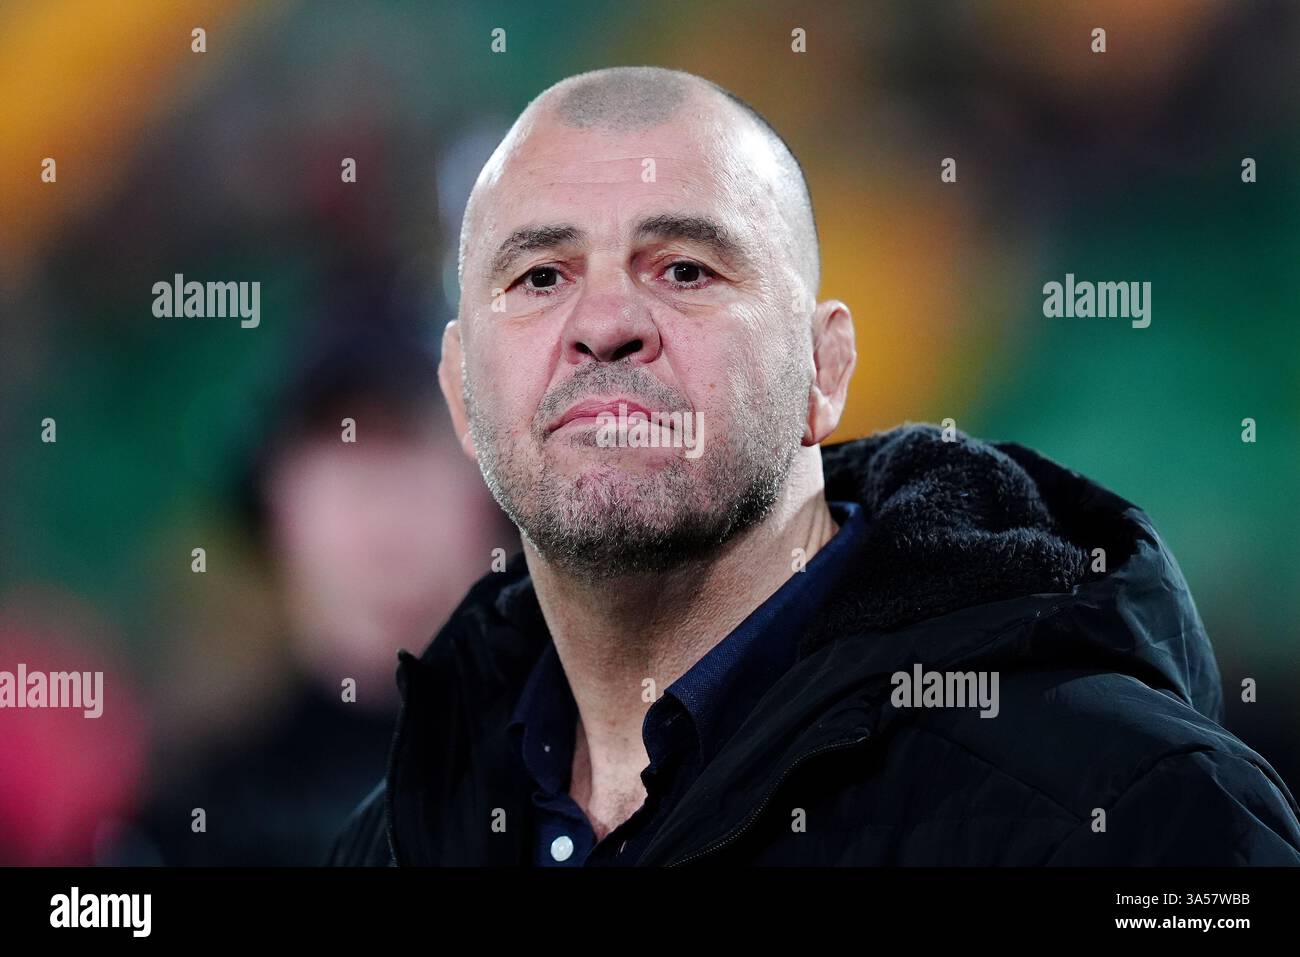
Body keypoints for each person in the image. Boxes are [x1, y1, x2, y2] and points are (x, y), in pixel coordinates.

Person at [329, 66, 1300, 866]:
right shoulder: (393, 846)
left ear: (823, 370)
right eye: (540, 277)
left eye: (684, 270)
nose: (606, 325)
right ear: (460, 392)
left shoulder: (1129, 816)